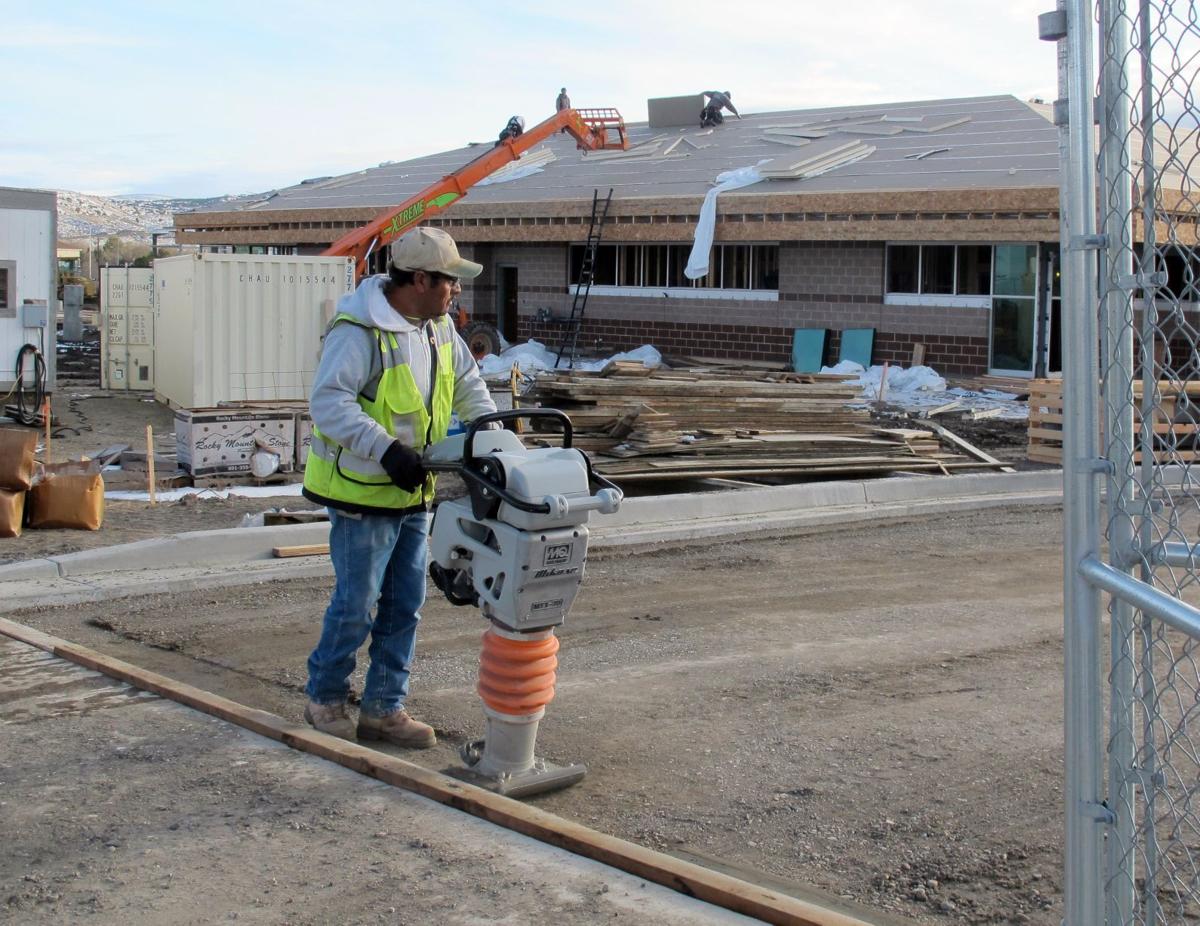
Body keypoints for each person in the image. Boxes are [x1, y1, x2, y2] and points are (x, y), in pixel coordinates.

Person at [301, 226, 497, 747]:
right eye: (450, 281)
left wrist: (495, 437)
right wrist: (386, 449)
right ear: (419, 279)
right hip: (362, 491)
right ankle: (324, 696)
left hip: (413, 489)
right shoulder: (359, 330)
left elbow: (468, 387)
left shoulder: (437, 328)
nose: (456, 291)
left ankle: (383, 707)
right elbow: (329, 404)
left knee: (404, 603)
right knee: (357, 603)